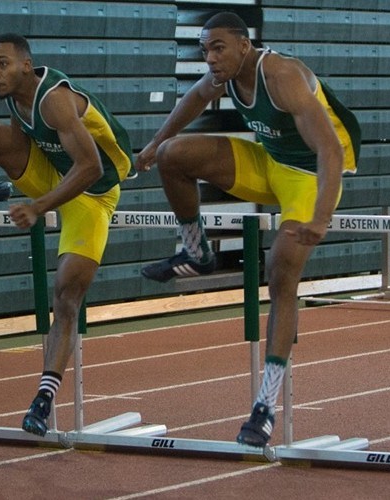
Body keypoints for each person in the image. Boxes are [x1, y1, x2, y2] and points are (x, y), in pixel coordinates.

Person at [134, 12, 360, 447]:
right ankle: (197, 252)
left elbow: (330, 149)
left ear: (244, 44)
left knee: (280, 270)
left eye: (218, 48)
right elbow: (193, 101)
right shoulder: (224, 74)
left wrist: (319, 217)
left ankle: (264, 407)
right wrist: (152, 144)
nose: (210, 59)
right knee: (173, 154)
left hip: (311, 176)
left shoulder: (282, 75)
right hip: (270, 163)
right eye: (204, 50)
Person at [0, 33, 135, 437]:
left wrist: (39, 207)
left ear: (25, 64)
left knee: (66, 295)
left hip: (93, 193)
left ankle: (44, 395)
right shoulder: (14, 98)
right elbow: (20, 141)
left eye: (1, 64)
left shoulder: (53, 97)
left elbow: (90, 167)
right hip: (53, 175)